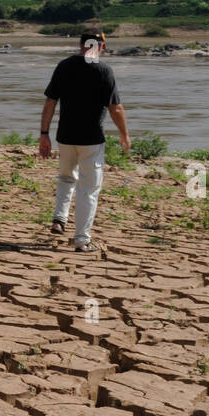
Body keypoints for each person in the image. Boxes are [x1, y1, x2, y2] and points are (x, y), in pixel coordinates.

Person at [40, 29, 130, 251]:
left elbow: (50, 102)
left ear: (80, 44)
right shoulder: (104, 70)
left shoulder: (64, 66)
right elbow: (115, 108)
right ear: (102, 47)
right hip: (91, 140)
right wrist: (124, 134)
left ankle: (59, 220)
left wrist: (44, 134)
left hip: (65, 136)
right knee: (88, 190)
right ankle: (82, 240)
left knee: (65, 178)